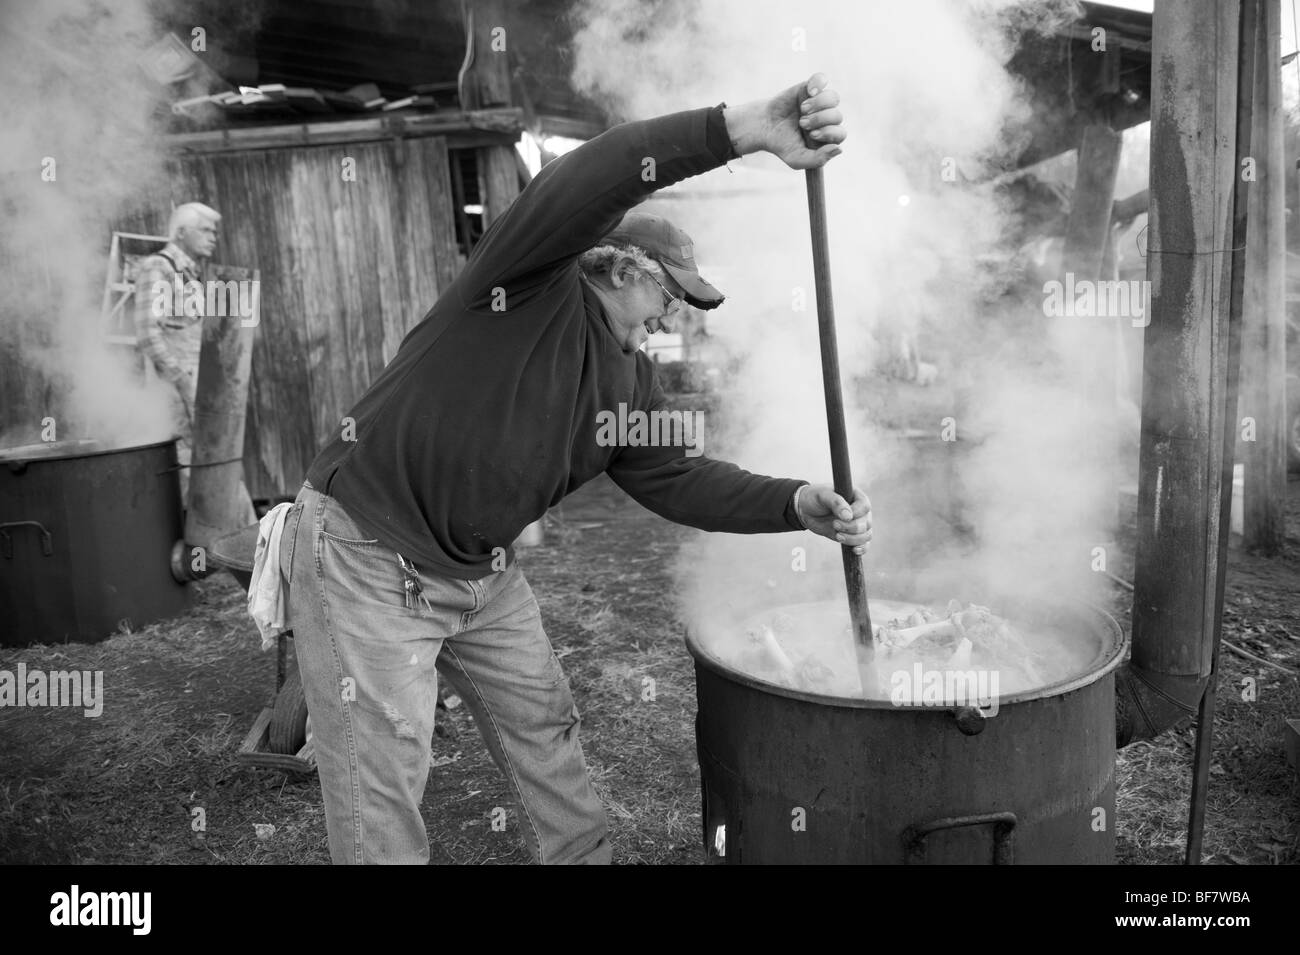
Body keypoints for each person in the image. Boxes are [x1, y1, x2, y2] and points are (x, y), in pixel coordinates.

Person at [282, 72, 869, 864]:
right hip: (366, 549)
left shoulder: (631, 377)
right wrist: (737, 129)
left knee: (543, 720)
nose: (676, 315)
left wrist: (795, 502)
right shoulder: (525, 282)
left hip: (481, 572)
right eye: (671, 294)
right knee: (383, 764)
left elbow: (676, 476)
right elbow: (590, 176)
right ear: (622, 268)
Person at [132, 202, 219, 501]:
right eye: (205, 230)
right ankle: (184, 540)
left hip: (195, 384)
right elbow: (147, 331)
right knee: (182, 461)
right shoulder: (159, 266)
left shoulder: (190, 273)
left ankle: (206, 539)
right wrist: (180, 378)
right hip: (174, 388)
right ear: (181, 233)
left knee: (204, 460)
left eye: (214, 232)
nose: (213, 237)